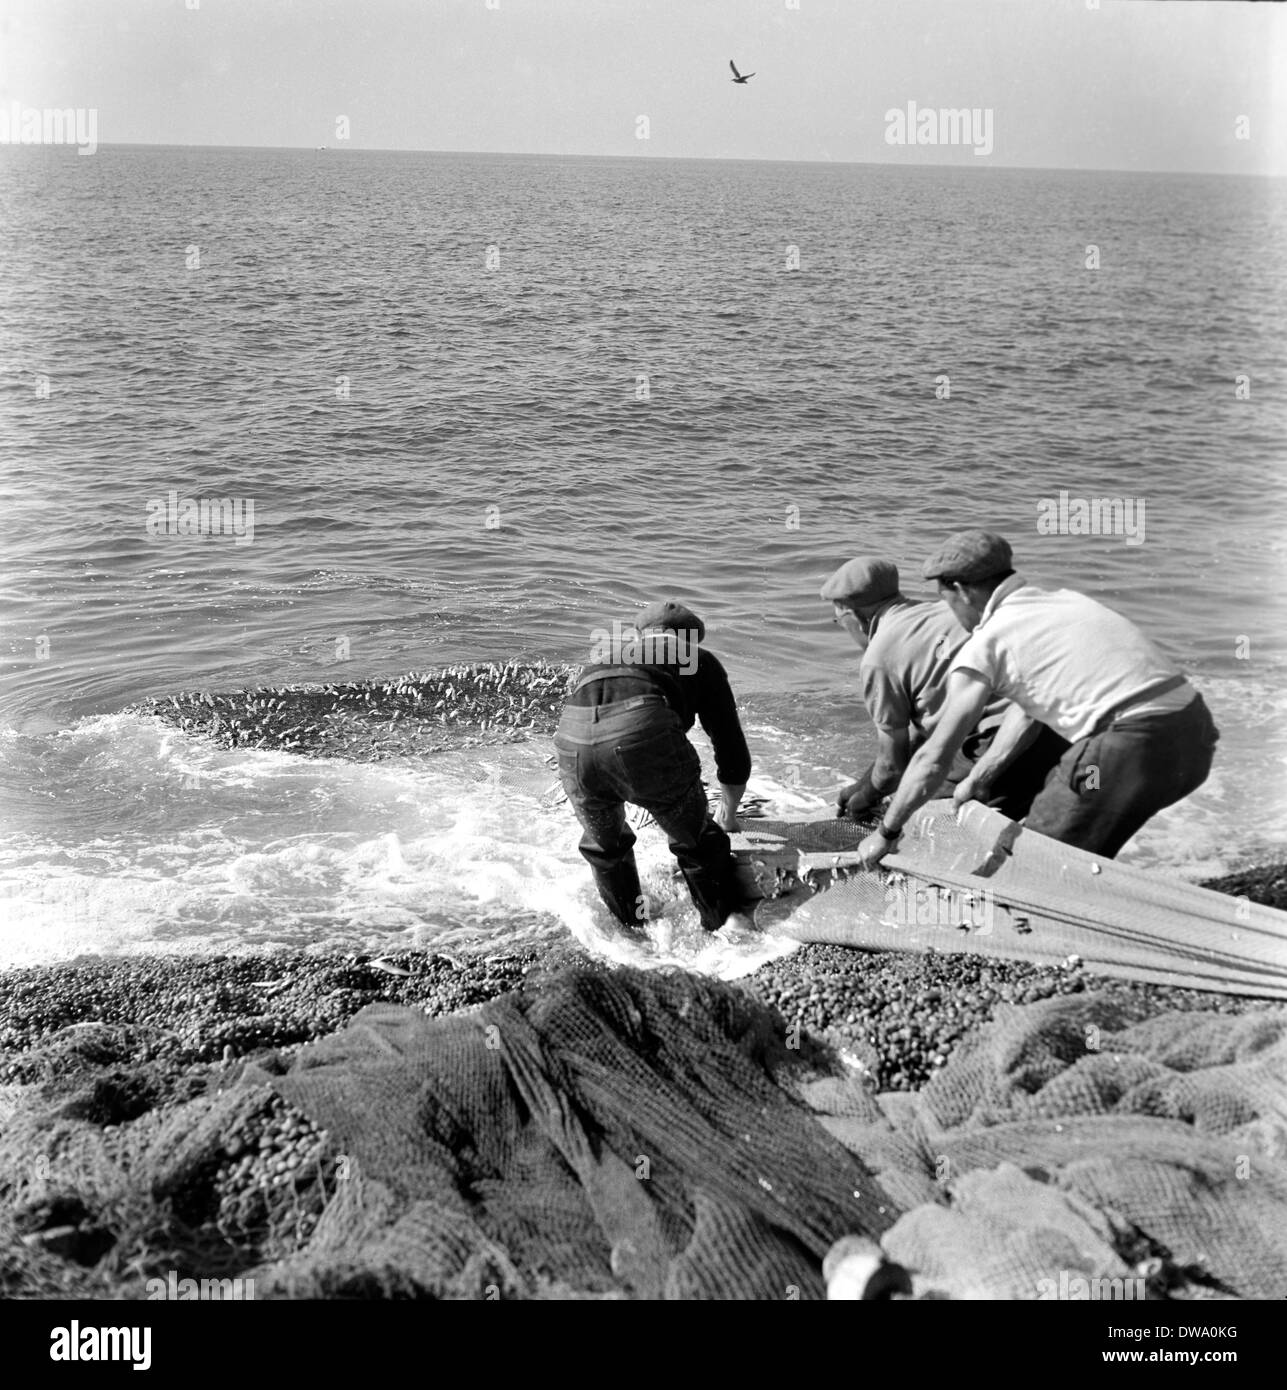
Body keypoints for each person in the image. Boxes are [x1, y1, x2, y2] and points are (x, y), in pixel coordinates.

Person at [856, 530, 1219, 869]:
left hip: (1120, 755)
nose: (950, 609)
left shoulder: (988, 642)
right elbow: (1027, 712)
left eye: (944, 598)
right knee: (1085, 840)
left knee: (1036, 861)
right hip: (1194, 744)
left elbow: (933, 758)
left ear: (961, 590)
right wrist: (979, 778)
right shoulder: (1066, 603)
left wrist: (886, 833)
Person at [554, 600, 751, 934]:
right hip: (639, 731)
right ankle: (722, 930)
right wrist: (728, 816)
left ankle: (632, 930)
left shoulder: (603, 659)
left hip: (571, 743)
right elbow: (730, 747)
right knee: (697, 842)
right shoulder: (695, 657)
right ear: (689, 638)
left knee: (606, 847)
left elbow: (589, 726)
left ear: (639, 635)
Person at [821, 555, 1066, 823]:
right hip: (1052, 726)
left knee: (912, 817)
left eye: (839, 621)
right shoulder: (949, 612)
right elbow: (918, 738)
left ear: (855, 616)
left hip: (996, 749)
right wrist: (863, 785)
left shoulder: (878, 659)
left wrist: (863, 800)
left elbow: (891, 768)